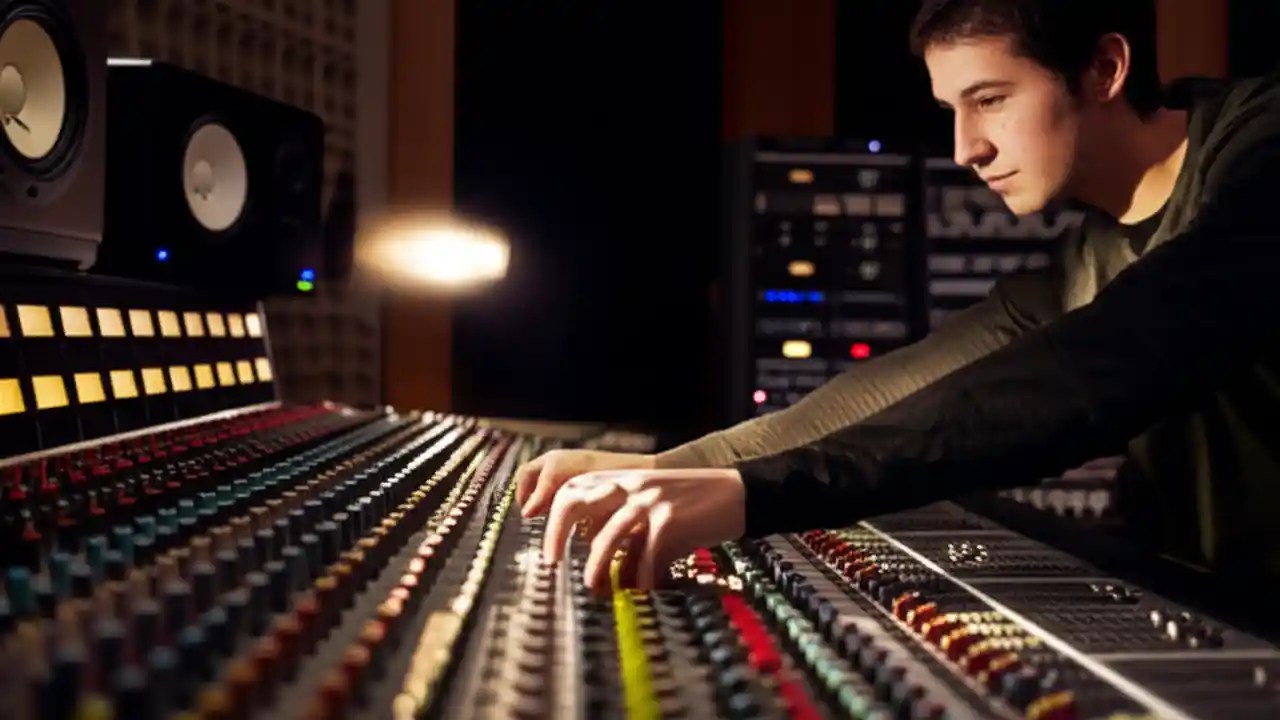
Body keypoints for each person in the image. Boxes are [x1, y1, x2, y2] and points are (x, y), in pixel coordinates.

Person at [517, 0, 1280, 597]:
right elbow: (907, 385)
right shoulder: (1090, 253)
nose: (966, 148)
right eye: (953, 111)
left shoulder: (1263, 153)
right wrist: (678, 467)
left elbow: (1118, 355)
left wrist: (758, 494)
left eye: (991, 99)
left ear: (1105, 69)